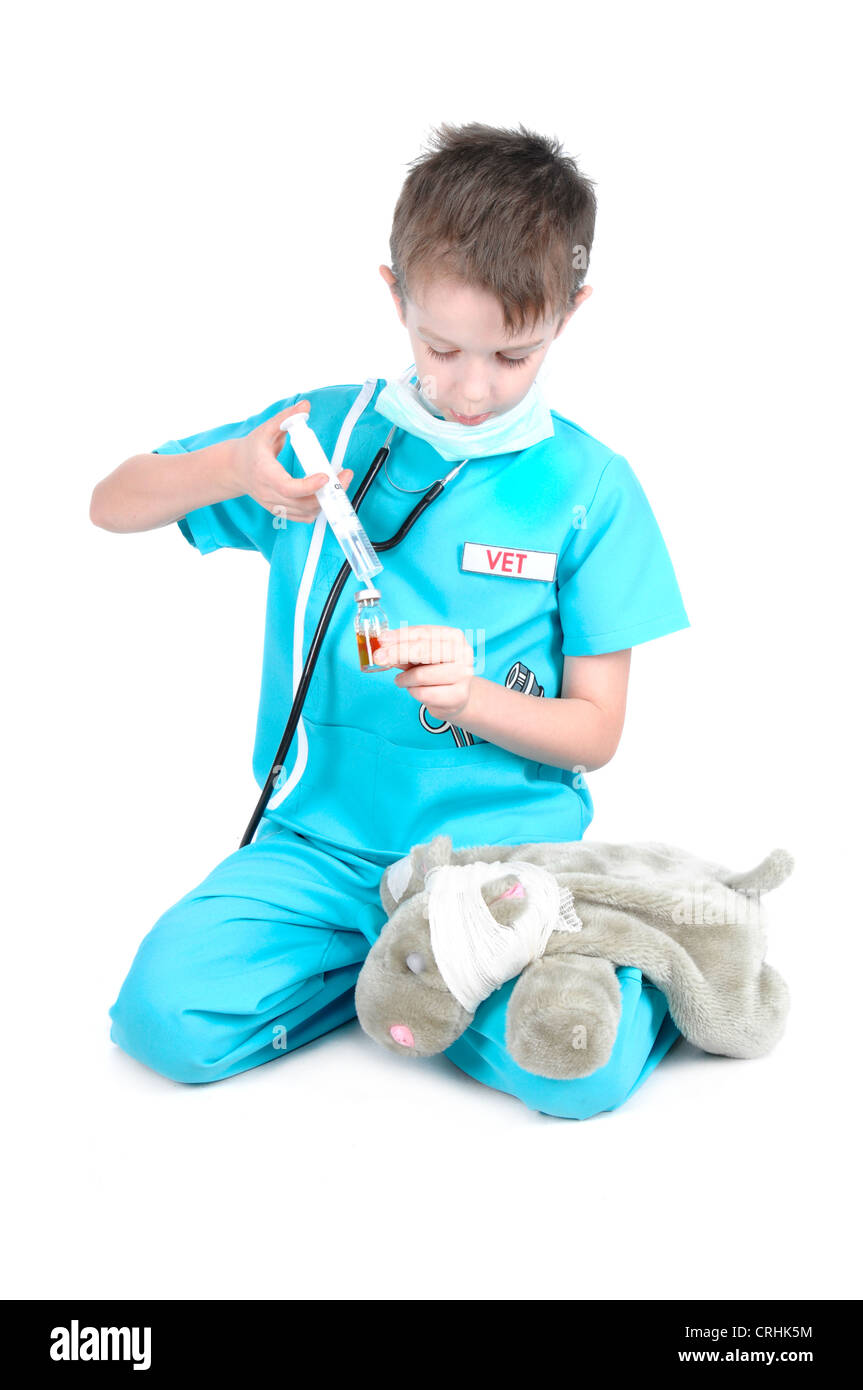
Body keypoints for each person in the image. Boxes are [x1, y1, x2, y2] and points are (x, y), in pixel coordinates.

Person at [92, 122, 689, 1119]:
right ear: (393, 296)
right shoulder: (318, 437)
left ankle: (628, 966)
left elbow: (597, 730)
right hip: (318, 847)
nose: (468, 386)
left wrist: (478, 701)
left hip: (501, 858)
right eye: (440, 345)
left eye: (511, 354)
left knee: (572, 1062)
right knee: (165, 1021)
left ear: (569, 312)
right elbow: (111, 502)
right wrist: (233, 467)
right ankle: (393, 970)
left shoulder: (590, 489)